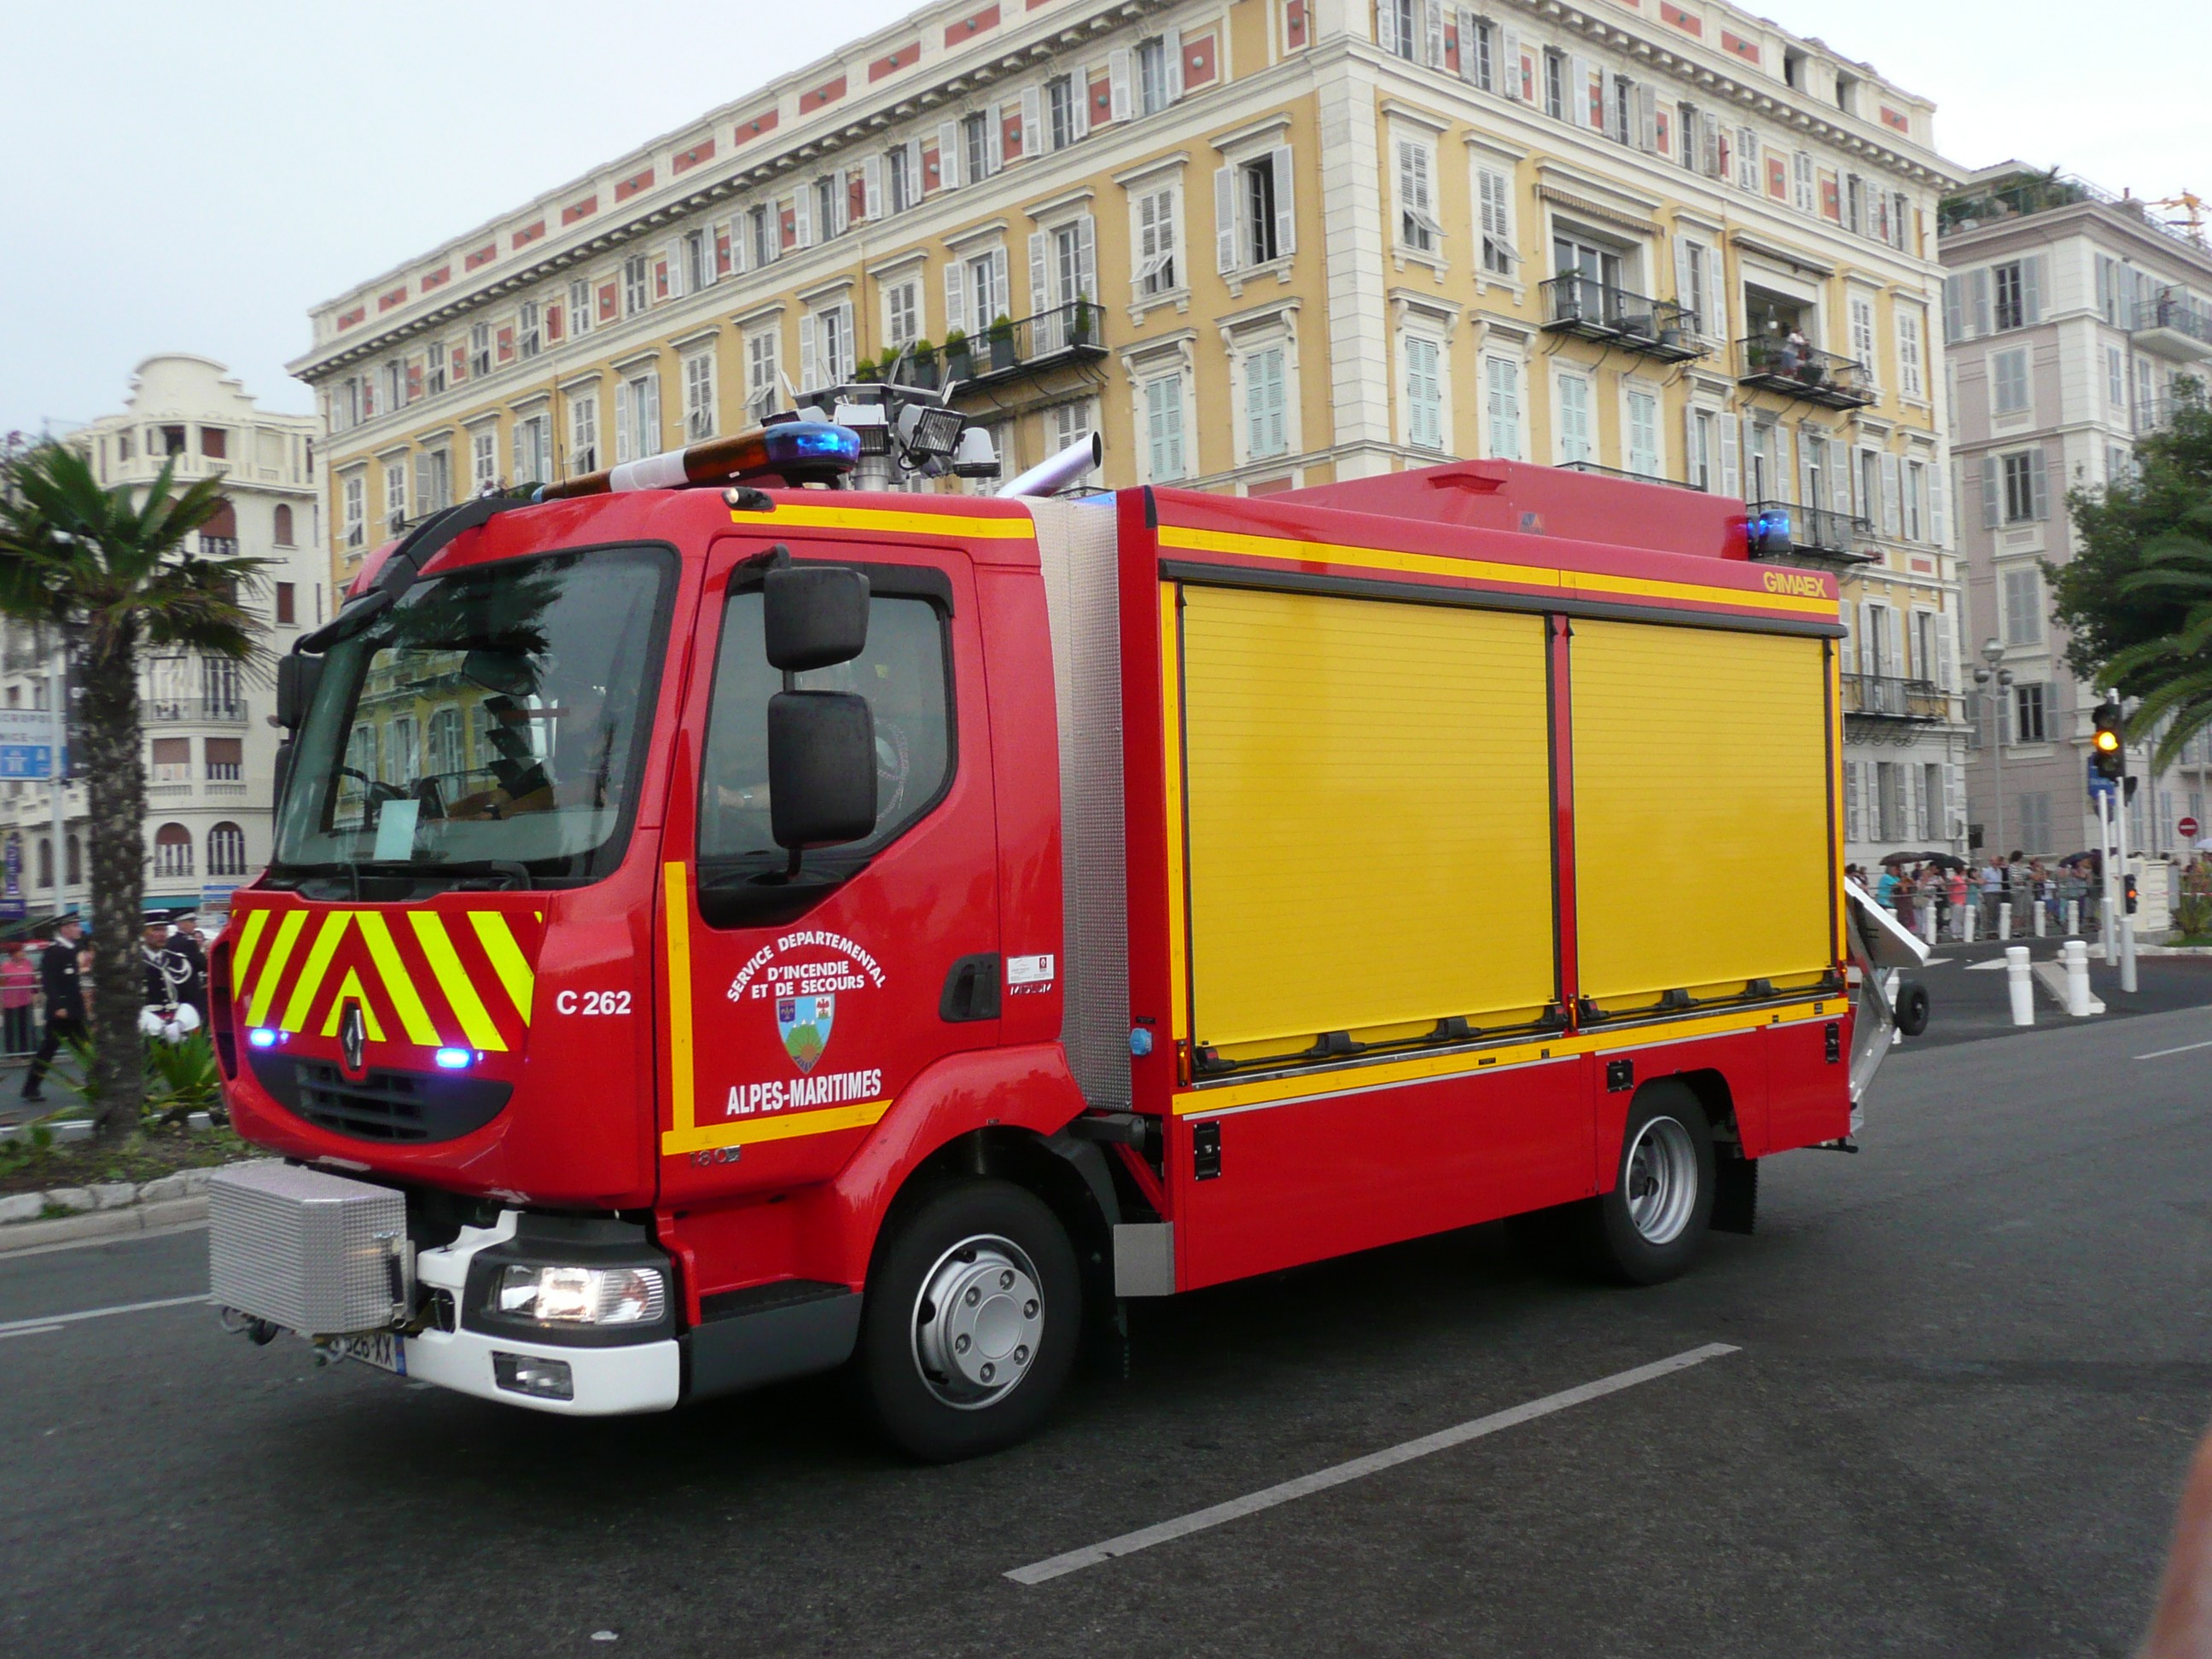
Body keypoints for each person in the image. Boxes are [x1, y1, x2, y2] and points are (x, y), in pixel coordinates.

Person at [21, 917, 85, 1102]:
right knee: (48, 1050)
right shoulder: (54, 951)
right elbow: (49, 982)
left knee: (85, 1048)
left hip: (73, 1010)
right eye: (74, 926)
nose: (78, 929)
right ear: (64, 929)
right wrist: (59, 1006)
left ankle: (97, 1084)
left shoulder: (71, 950)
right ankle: (30, 1088)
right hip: (62, 1012)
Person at [0, 941, 34, 1057]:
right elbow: (2, 985)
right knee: (11, 1029)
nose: (23, 953)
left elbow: (32, 979)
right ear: (13, 953)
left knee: (26, 1027)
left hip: (26, 1001)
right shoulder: (5, 967)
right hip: (11, 1003)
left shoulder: (28, 963)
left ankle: (26, 1052)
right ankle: (12, 1053)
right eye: (21, 951)